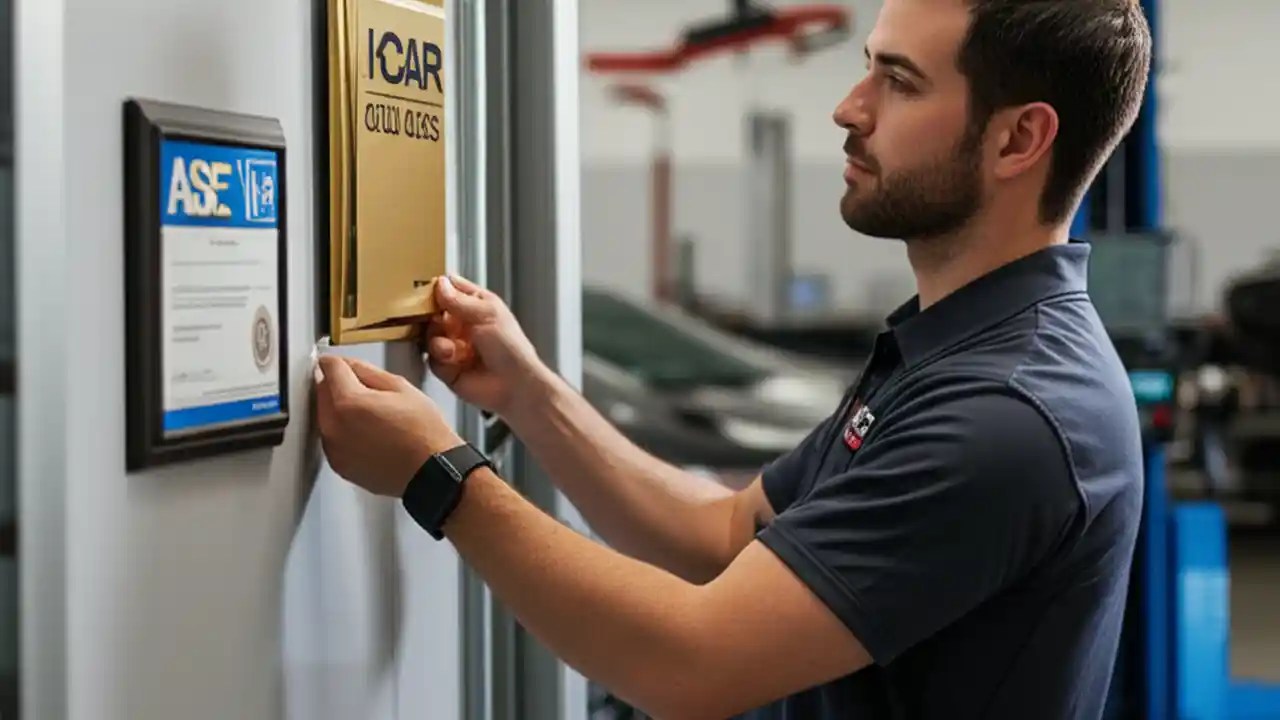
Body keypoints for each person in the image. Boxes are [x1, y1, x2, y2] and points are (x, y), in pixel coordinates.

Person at [314, 0, 1153, 717]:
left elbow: (693, 664)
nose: (850, 108)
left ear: (1018, 140)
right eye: (869, 68)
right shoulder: (952, 352)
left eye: (899, 82)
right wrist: (533, 396)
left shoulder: (1007, 413)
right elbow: (723, 534)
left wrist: (440, 477)